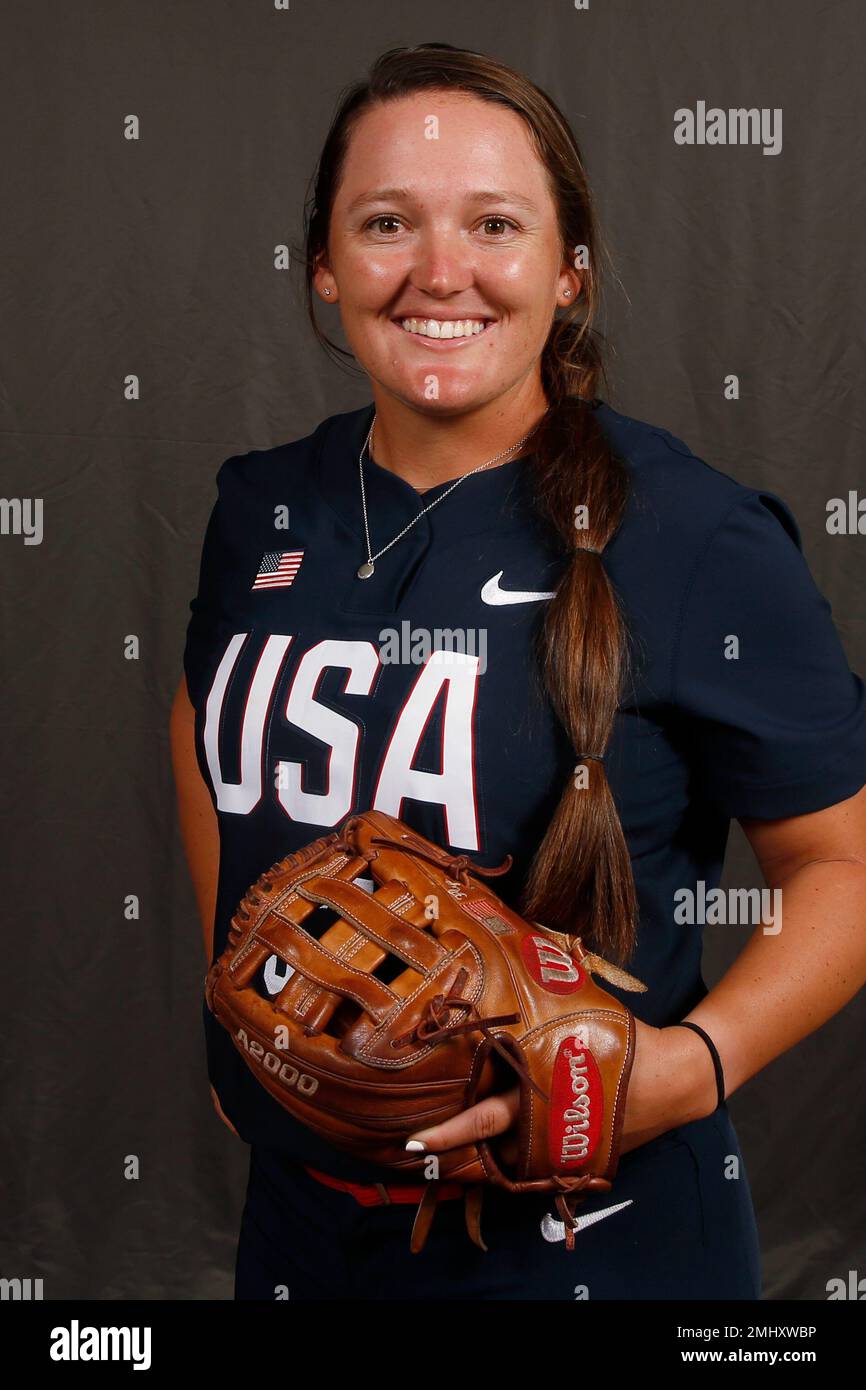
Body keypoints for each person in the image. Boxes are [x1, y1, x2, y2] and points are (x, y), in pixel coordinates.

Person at [170, 43, 866, 1301]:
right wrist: (250, 994)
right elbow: (203, 716)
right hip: (301, 1229)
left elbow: (843, 866)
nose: (441, 273)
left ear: (567, 274)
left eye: (494, 224)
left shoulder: (693, 536)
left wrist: (687, 1068)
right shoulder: (261, 504)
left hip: (581, 1241)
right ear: (324, 267)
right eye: (386, 223)